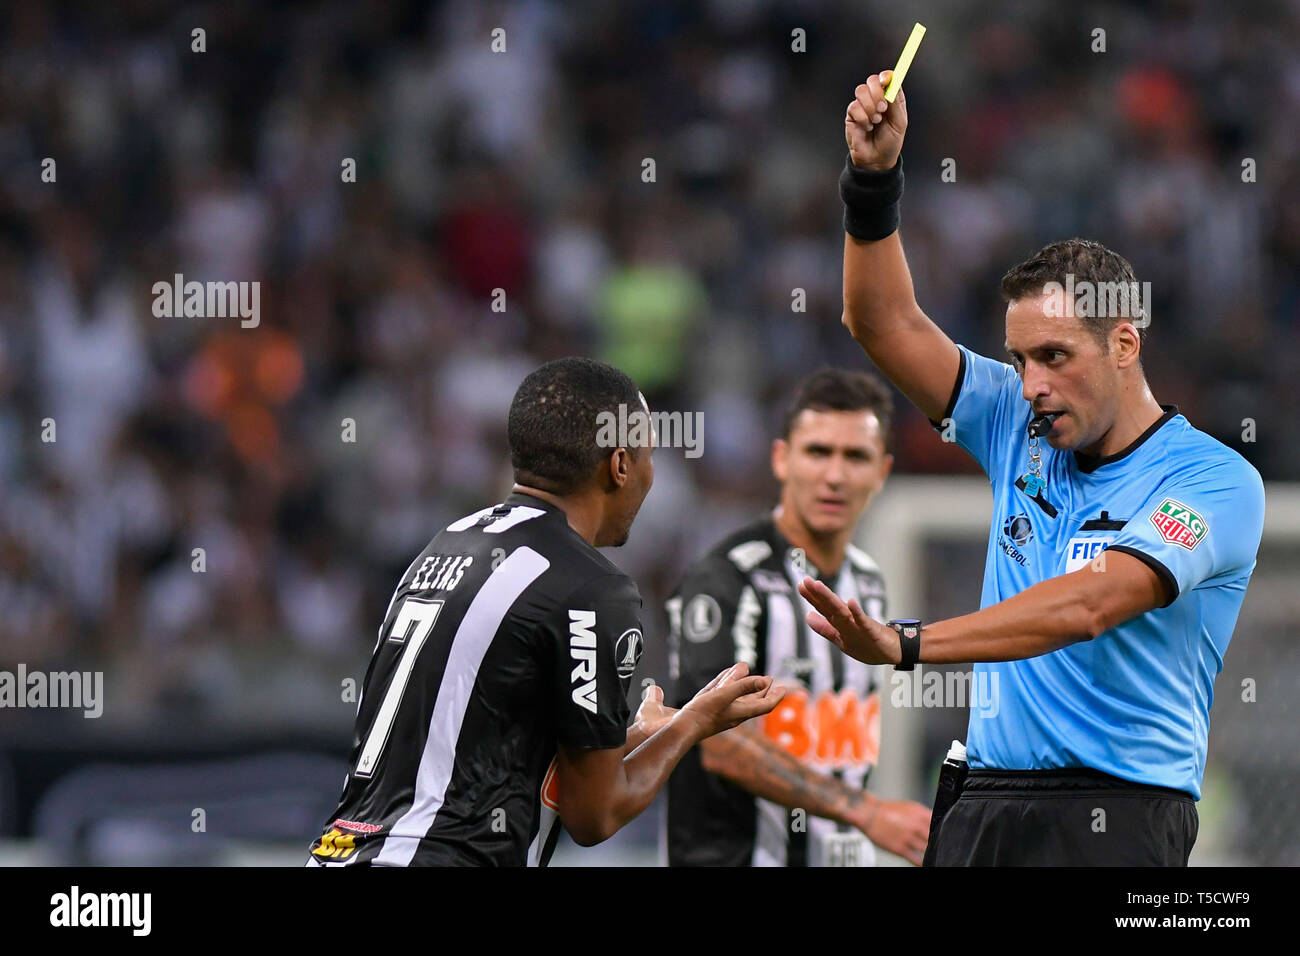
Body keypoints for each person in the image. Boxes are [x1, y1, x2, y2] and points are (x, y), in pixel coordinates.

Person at [797, 70, 1266, 865]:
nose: (1032, 385)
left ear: (1125, 344)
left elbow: (1091, 604)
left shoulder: (1212, 482)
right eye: (1018, 359)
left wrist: (908, 645)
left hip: (1117, 817)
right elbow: (879, 319)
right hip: (983, 801)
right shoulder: (1019, 420)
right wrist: (872, 181)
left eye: (1055, 356)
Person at [307, 357, 783, 866]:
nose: (650, 475)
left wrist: (636, 736)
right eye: (647, 455)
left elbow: (473, 746)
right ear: (620, 465)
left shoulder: (446, 544)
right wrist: (694, 723)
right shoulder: (591, 586)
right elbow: (594, 815)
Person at [665, 369, 932, 866]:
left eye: (855, 456)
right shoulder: (727, 578)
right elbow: (717, 742)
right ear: (781, 459)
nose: (835, 475)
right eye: (817, 451)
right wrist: (865, 810)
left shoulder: (869, 581)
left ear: (882, 471)